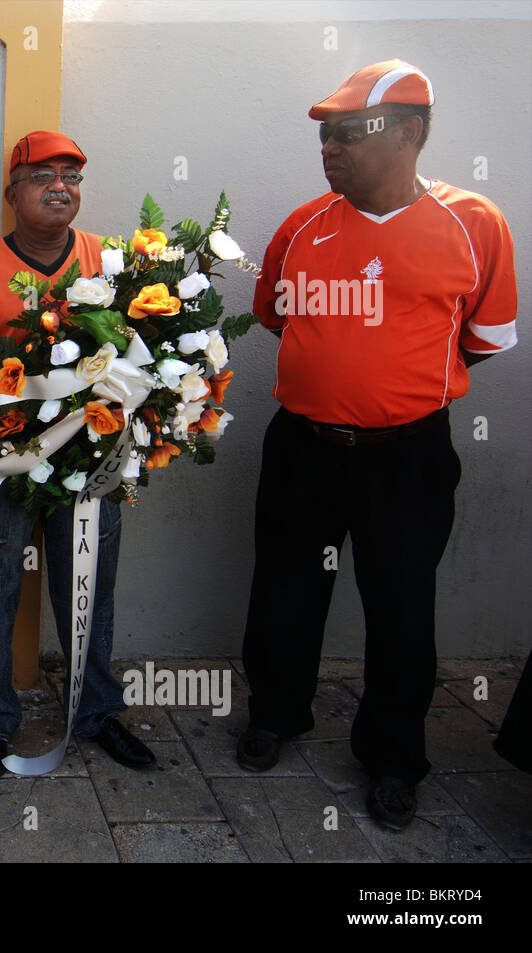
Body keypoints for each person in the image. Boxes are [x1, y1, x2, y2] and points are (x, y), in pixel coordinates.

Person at [236, 60, 519, 830]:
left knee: (401, 606)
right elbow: (278, 317)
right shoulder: (303, 225)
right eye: (325, 135)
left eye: (349, 132)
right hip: (304, 445)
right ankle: (276, 714)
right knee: (285, 587)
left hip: (409, 457)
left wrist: (398, 386)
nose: (330, 147)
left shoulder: (476, 224)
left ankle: (394, 756)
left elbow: (484, 339)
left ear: (411, 133)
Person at [0, 131, 155, 777]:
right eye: (43, 174)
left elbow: (145, 359)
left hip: (90, 454)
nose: (61, 186)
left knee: (89, 586)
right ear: (13, 192)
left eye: (73, 176)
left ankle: (96, 712)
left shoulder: (110, 261)